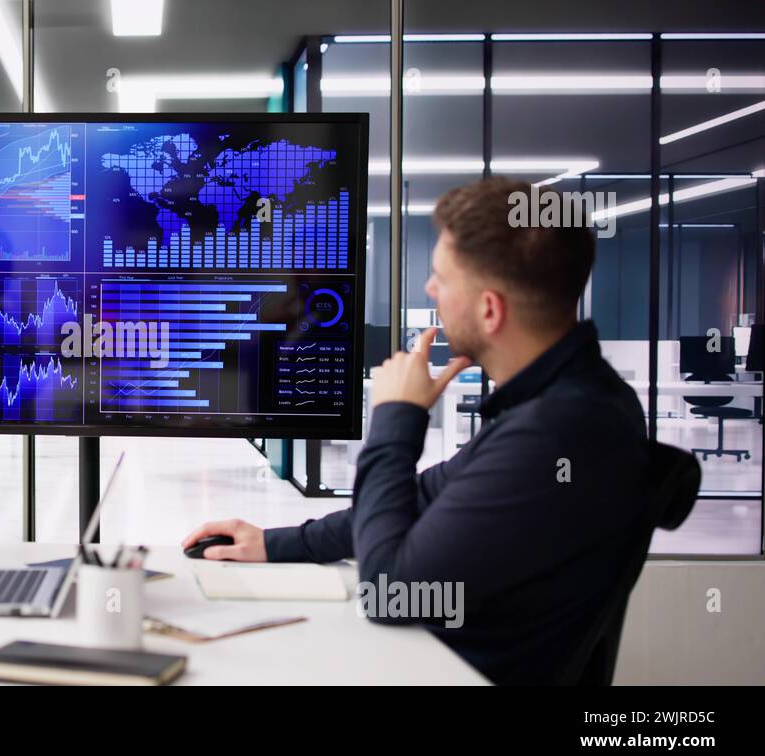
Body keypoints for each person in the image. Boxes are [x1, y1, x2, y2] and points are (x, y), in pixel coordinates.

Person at [182, 177, 651, 685]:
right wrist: (277, 544)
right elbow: (428, 496)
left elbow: (390, 591)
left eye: (441, 278)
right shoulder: (563, 400)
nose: (430, 290)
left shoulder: (558, 431)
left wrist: (396, 417)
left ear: (490, 309)